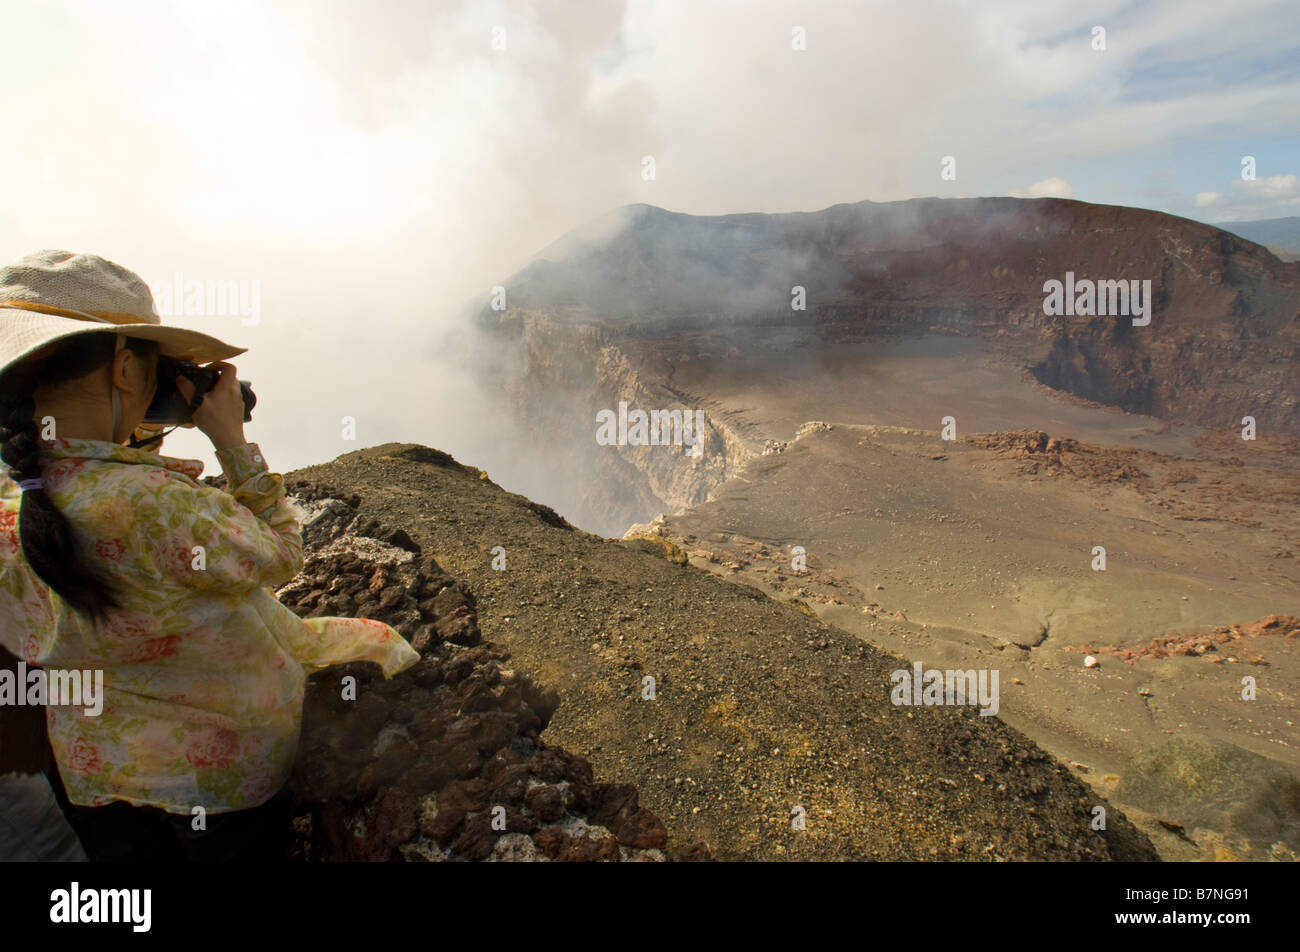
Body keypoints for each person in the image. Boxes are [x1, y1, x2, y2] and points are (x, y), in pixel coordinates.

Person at [0, 250, 419, 861]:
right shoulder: (161, 504)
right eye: (151, 368)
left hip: (94, 769)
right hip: (219, 777)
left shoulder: (16, 498)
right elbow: (281, 553)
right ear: (123, 369)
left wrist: (120, 437)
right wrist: (231, 441)